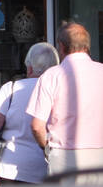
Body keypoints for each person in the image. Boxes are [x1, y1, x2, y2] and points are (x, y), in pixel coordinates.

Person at [29, 22, 103, 176]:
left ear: (61, 47)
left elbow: (37, 126)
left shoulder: (51, 76)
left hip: (63, 156)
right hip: (100, 154)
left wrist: (47, 148)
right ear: (87, 46)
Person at [0, 41, 58, 184]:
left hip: (11, 169)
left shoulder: (11, 88)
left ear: (29, 68)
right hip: (48, 168)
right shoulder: (59, 91)